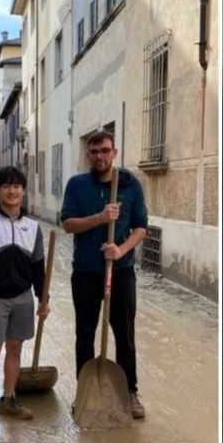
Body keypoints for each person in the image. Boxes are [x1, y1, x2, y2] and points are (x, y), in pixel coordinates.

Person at [60, 130, 150, 419]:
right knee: (84, 335)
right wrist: (100, 218)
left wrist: (121, 250)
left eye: (105, 150)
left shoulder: (130, 185)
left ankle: (130, 392)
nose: (100, 156)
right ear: (88, 154)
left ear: (115, 152)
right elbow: (68, 224)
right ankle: (84, 393)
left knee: (124, 335)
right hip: (85, 273)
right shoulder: (76, 185)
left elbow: (141, 228)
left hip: (120, 273)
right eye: (94, 151)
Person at [0, 166, 48, 436]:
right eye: (6, 186)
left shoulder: (33, 226)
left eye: (17, 186)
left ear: (23, 191)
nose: (12, 191)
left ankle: (9, 399)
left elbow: (38, 267)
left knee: (15, 350)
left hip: (23, 298)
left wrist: (43, 299)